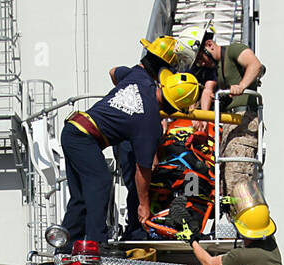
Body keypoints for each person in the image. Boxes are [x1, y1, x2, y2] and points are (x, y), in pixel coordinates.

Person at [60, 38, 199, 249]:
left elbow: (114, 71)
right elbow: (142, 172)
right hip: (85, 138)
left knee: (80, 196)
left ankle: (67, 244)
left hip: (72, 129)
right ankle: (96, 244)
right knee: (100, 183)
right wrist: (143, 205)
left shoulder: (138, 77)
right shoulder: (149, 122)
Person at [180, 26, 265, 191]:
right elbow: (207, 91)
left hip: (244, 119)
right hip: (227, 124)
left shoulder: (234, 50)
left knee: (237, 177)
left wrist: (241, 86)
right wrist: (203, 119)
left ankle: (251, 216)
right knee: (223, 183)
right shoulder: (213, 71)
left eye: (200, 58)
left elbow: (255, 65)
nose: (200, 63)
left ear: (210, 44)